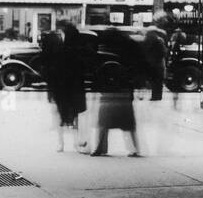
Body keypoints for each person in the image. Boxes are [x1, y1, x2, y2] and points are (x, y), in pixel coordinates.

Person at [89, 28, 141, 157]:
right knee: (128, 124)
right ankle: (134, 148)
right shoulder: (128, 51)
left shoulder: (103, 52)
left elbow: (97, 74)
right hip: (124, 91)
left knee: (103, 122)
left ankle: (100, 148)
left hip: (108, 92)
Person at [44, 20, 87, 153]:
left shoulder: (62, 44)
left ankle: (63, 143)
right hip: (69, 86)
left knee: (63, 115)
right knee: (71, 116)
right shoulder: (72, 44)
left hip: (63, 86)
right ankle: (71, 143)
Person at [143, 17, 168, 102]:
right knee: (158, 80)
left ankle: (156, 96)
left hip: (155, 62)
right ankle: (157, 96)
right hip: (158, 62)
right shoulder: (158, 39)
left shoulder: (152, 39)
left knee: (155, 80)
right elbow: (164, 51)